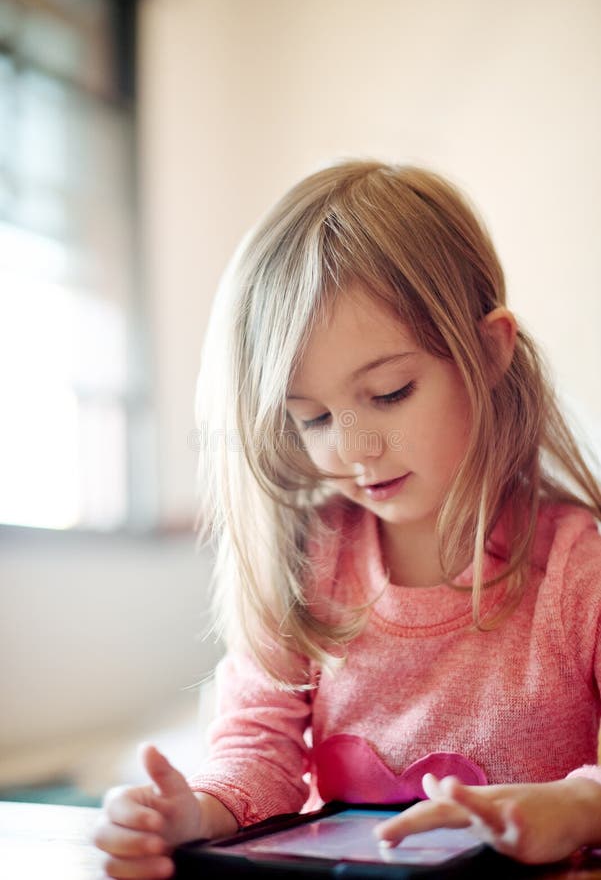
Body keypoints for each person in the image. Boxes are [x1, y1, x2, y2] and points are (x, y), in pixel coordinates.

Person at [94, 161, 601, 879]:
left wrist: (576, 806)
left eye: (390, 393)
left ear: (488, 352)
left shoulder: (577, 571)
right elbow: (256, 756)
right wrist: (190, 812)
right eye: (313, 417)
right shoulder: (310, 561)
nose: (352, 449)